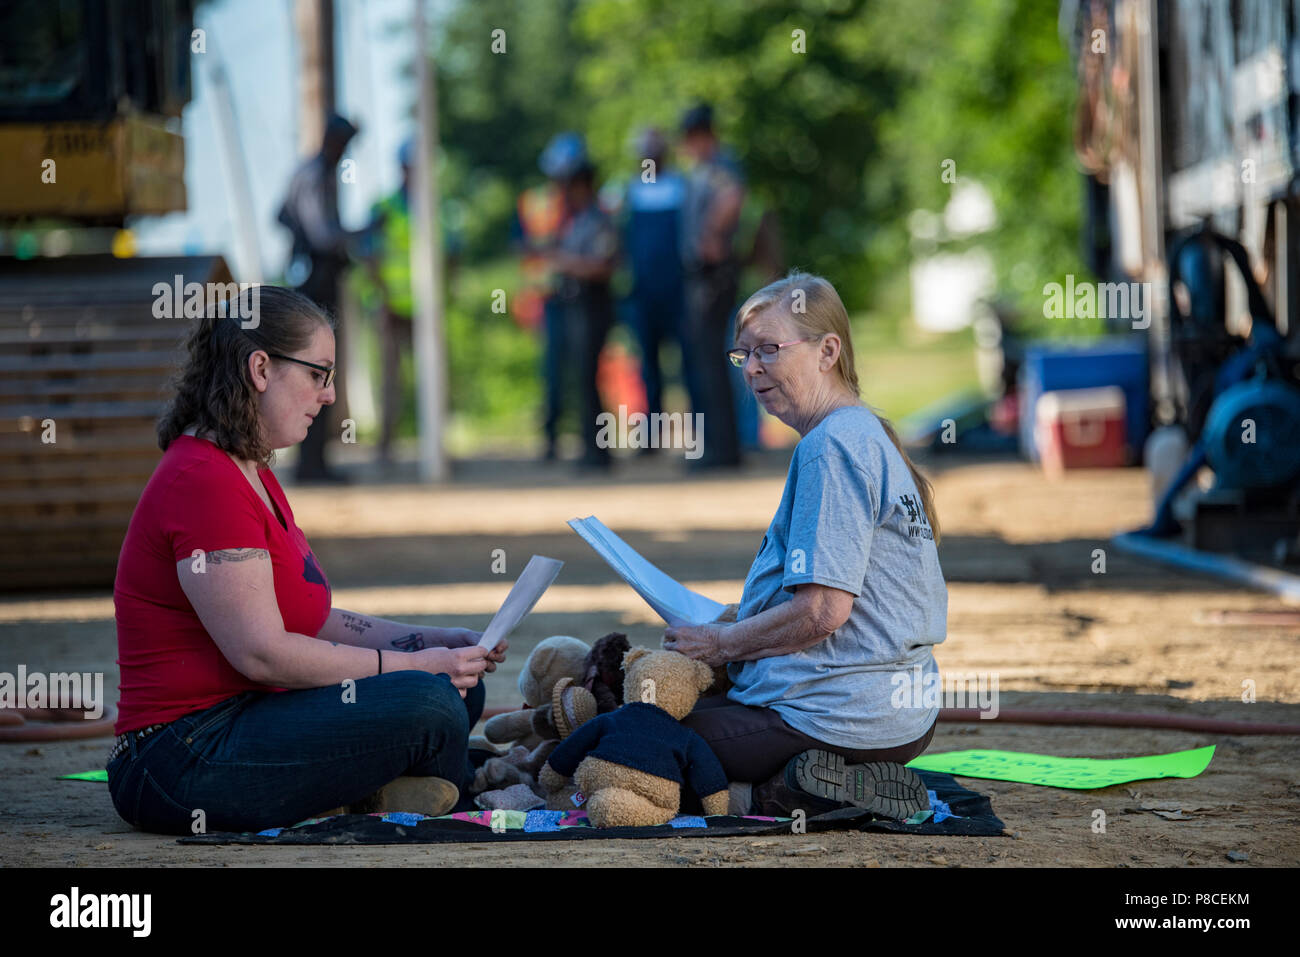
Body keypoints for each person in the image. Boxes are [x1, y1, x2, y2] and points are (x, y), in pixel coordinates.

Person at [108, 286, 506, 835]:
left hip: (240, 721)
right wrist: (418, 666)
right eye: (319, 374)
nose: (329, 395)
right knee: (431, 701)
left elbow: (314, 621)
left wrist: (433, 639)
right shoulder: (203, 480)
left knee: (461, 683)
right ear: (261, 368)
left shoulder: (250, 470)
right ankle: (404, 790)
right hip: (182, 758)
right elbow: (264, 655)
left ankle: (395, 790)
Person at [662, 271, 946, 819]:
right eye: (742, 354)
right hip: (894, 714)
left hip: (838, 714)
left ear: (827, 351)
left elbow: (821, 611)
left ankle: (779, 794)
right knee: (661, 717)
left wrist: (722, 646)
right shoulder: (862, 433)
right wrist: (732, 628)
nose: (752, 368)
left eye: (768, 349)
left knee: (633, 737)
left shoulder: (830, 447)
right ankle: (815, 784)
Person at [277, 113, 361, 483]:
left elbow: (281, 215)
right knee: (315, 372)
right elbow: (323, 235)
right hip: (315, 284)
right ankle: (311, 465)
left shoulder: (311, 173)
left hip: (313, 281)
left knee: (316, 372)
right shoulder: (315, 175)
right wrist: (357, 236)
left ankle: (316, 463)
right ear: (335, 141)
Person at [678, 103, 746, 470]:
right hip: (702, 274)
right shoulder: (706, 167)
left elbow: (732, 198)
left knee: (711, 362)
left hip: (712, 274)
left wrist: (712, 235)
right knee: (706, 362)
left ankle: (722, 449)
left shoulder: (720, 165)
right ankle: (719, 446)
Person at [549, 159, 620, 471]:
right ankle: (590, 447)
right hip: (574, 305)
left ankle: (599, 451)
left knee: (590, 378)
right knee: (581, 378)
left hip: (593, 304)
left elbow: (603, 265)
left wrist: (566, 263)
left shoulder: (599, 221)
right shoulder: (575, 220)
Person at [622, 127, 687, 445]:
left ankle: (699, 434)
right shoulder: (628, 193)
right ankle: (651, 437)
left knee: (689, 364)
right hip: (642, 294)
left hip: (678, 292)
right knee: (648, 369)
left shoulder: (681, 188)